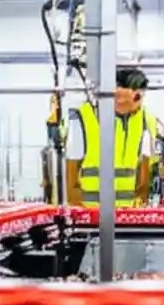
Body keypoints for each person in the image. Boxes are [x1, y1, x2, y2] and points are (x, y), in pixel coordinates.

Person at [65, 68, 155, 207]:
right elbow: (71, 175)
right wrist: (80, 213)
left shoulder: (144, 121)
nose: (139, 103)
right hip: (90, 214)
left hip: (126, 216)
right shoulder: (84, 117)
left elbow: (144, 170)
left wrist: (140, 203)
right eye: (137, 97)